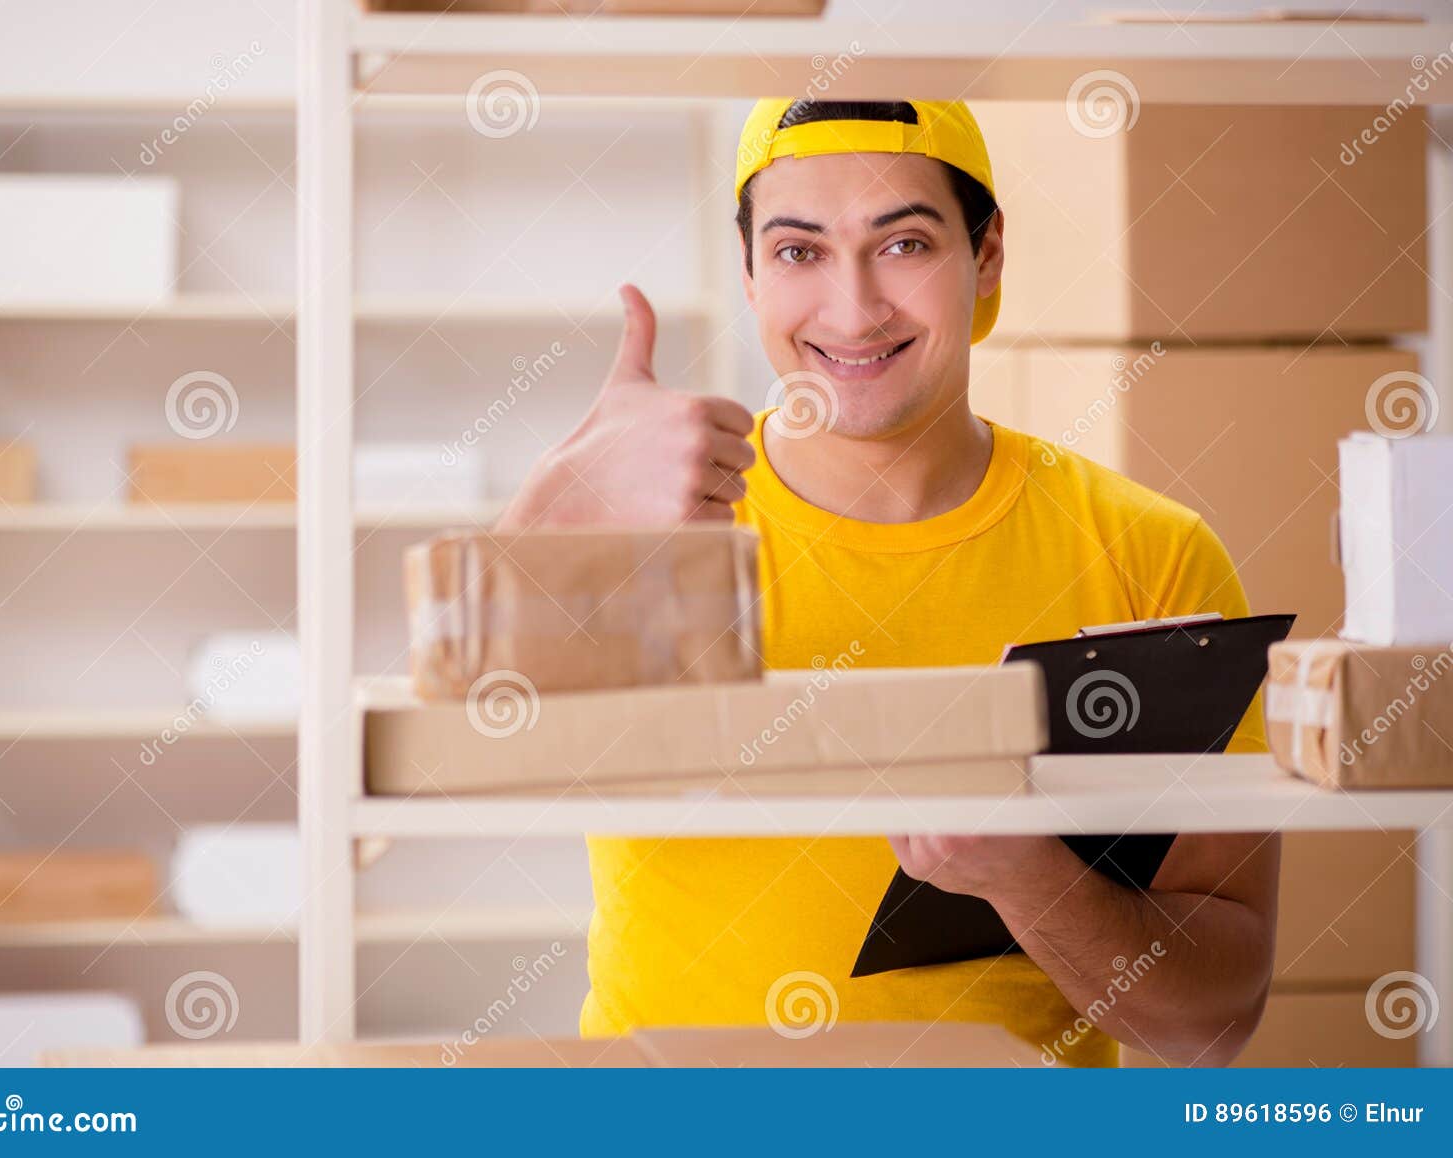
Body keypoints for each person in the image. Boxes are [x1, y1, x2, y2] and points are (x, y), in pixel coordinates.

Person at [494, 98, 1278, 1067]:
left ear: (986, 258)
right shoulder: (650, 534)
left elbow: (1210, 1026)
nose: (854, 309)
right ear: (748, 273)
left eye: (903, 244)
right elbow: (415, 780)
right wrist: (551, 513)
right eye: (798, 252)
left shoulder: (1149, 554)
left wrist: (1024, 874)